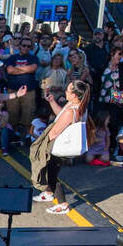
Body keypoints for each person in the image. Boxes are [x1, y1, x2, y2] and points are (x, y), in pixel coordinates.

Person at [30, 79, 90, 214]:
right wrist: (52, 101)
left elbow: (56, 130)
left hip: (57, 146)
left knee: (51, 174)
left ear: (74, 95)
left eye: (68, 90)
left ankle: (62, 203)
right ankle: (49, 192)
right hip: (63, 145)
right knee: (51, 170)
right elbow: (60, 115)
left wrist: (43, 143)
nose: (65, 91)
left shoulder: (71, 111)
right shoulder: (79, 106)